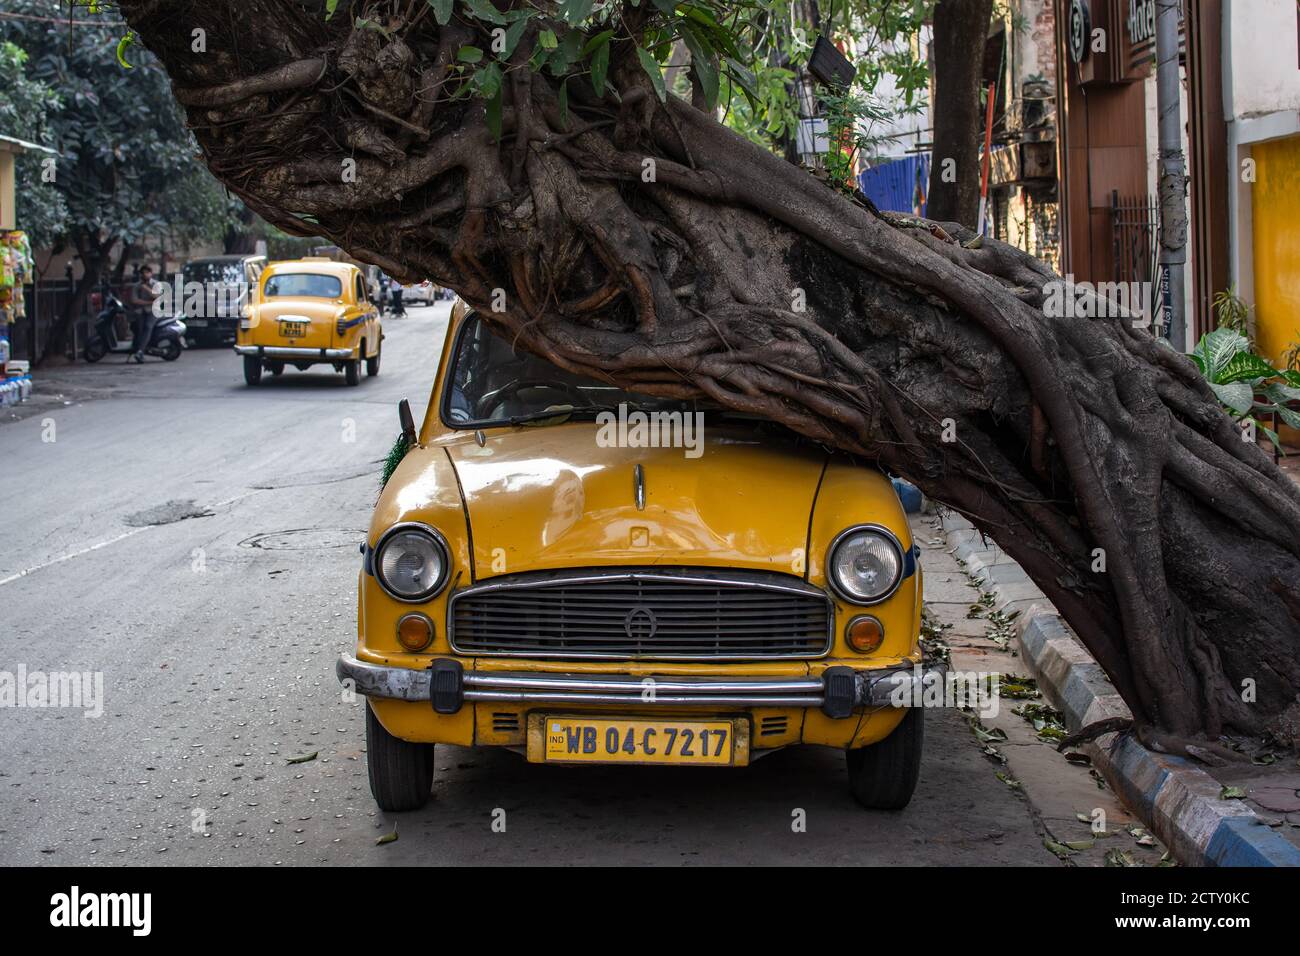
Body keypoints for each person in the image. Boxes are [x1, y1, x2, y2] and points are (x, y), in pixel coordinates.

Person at [126, 264, 161, 362]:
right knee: (138, 328)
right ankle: (137, 348)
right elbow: (134, 300)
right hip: (140, 311)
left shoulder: (156, 284)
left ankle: (140, 351)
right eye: (143, 273)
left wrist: (146, 288)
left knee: (148, 326)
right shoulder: (136, 286)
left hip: (153, 311)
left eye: (147, 273)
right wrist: (149, 302)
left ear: (151, 273)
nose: (145, 275)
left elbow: (157, 297)